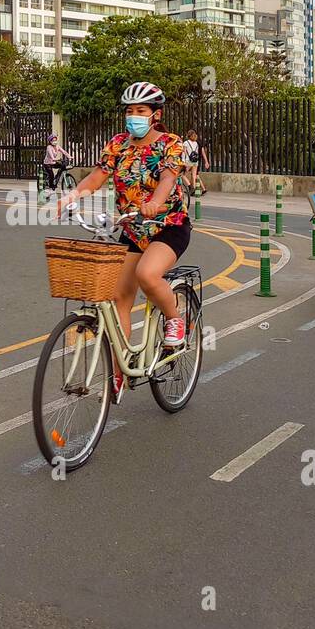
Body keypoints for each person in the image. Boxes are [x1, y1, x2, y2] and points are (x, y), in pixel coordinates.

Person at [58, 82, 190, 400]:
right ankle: (118, 373)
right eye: (129, 111)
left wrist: (156, 202)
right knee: (118, 299)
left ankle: (175, 321)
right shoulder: (118, 144)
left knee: (147, 274)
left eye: (140, 111)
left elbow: (169, 178)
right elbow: (97, 176)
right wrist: (72, 196)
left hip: (167, 226)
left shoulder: (171, 144)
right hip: (131, 230)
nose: (133, 117)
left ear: (155, 115)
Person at [182, 129, 209, 199]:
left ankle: (189, 185)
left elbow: (184, 152)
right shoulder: (196, 143)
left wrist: (183, 160)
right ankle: (193, 189)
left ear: (188, 135)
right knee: (194, 175)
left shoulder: (185, 142)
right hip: (195, 161)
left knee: (182, 174)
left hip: (188, 161)